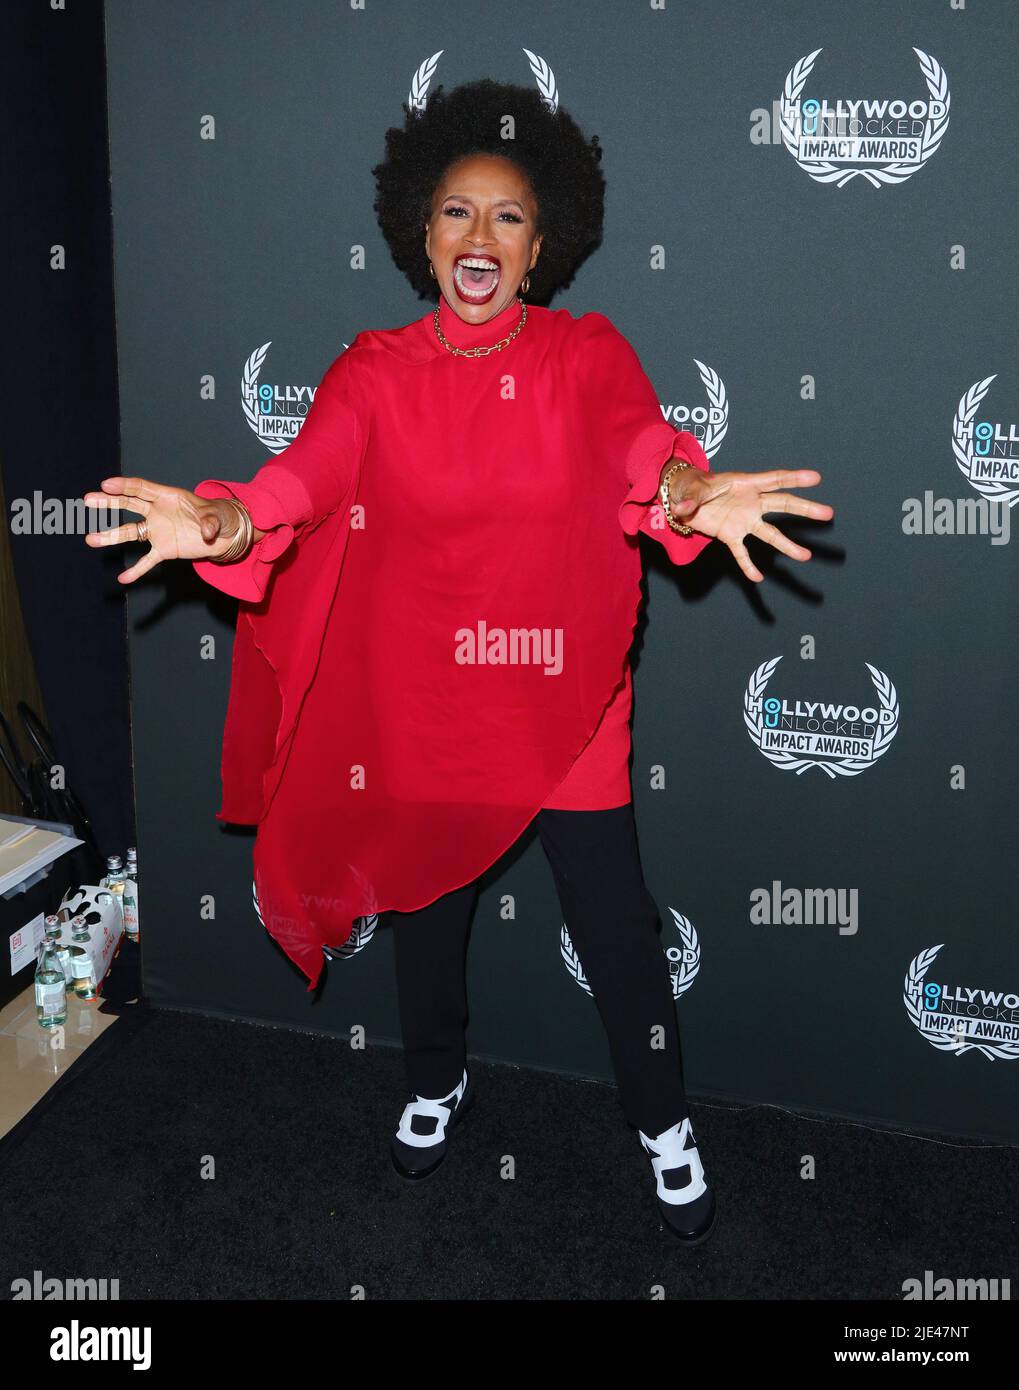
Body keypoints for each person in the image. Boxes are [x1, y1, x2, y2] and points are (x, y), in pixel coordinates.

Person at [84, 80, 833, 1245]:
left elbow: (640, 449)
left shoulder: (585, 355)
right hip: (431, 701)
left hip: (566, 693)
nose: (478, 237)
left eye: (507, 218)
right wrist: (231, 521)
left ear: (541, 249)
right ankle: (435, 1080)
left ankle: (660, 1120)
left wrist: (687, 488)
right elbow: (309, 472)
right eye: (455, 213)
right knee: (425, 914)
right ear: (419, 232)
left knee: (615, 926)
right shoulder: (373, 368)